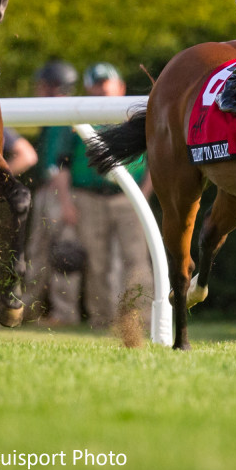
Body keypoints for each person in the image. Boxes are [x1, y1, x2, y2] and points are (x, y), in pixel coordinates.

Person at [47, 62, 153, 332]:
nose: (103, 88)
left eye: (108, 82)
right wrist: (66, 203)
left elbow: (157, 159)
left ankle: (141, 319)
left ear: (121, 86)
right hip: (88, 198)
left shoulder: (138, 115)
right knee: (97, 263)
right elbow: (62, 164)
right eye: (98, 83)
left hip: (128, 198)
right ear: (89, 87)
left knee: (137, 260)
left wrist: (143, 196)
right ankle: (102, 322)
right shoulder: (78, 115)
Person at [21, 59, 86, 326]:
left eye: (42, 84)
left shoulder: (64, 114)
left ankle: (64, 313)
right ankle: (27, 310)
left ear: (54, 86)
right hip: (49, 191)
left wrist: (66, 203)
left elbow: (60, 162)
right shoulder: (53, 113)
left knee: (63, 253)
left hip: (59, 192)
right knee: (38, 252)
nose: (37, 89)